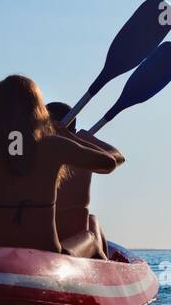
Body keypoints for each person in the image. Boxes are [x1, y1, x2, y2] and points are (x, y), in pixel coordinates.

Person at [0, 76, 120, 256]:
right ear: (37, 111)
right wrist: (71, 138)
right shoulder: (54, 146)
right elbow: (109, 163)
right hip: (46, 255)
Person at [45, 101, 125, 259]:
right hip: (48, 240)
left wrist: (75, 139)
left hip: (75, 242)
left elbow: (117, 158)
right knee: (92, 220)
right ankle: (100, 253)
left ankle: (99, 254)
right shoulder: (35, 148)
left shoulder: (81, 145)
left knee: (92, 221)